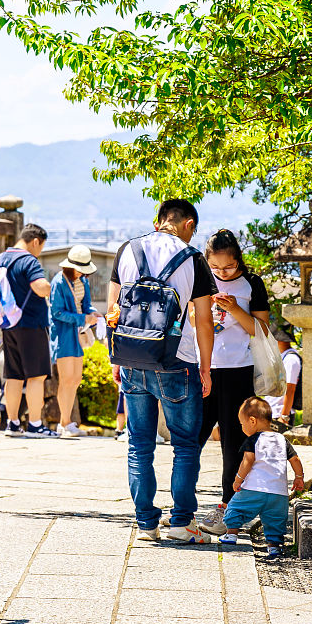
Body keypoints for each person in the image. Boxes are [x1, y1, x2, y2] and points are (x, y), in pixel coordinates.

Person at [108, 199, 217, 543]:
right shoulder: (194, 258)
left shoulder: (127, 249)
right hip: (177, 361)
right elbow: (203, 320)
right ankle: (182, 523)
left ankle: (146, 524)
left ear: (158, 222)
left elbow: (112, 310)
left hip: (132, 359)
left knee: (139, 444)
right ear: (188, 225)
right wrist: (206, 368)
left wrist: (116, 359)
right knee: (185, 446)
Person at [193, 229, 270, 535]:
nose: (223, 273)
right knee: (192, 436)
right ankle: (182, 505)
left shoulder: (251, 283)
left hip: (239, 369)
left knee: (234, 444)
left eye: (228, 267)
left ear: (238, 260)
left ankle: (231, 509)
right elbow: (188, 320)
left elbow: (261, 329)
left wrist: (234, 308)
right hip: (202, 367)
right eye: (216, 268)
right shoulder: (200, 281)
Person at [218, 396, 304, 559]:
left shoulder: (253, 439)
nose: (242, 427)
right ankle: (274, 547)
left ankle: (231, 535)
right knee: (275, 520)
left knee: (235, 508)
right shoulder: (281, 439)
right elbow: (295, 459)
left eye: (242, 424)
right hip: (278, 493)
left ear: (252, 421)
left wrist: (237, 479)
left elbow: (248, 460)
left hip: (253, 489)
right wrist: (299, 477)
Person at [0, 224, 55, 437]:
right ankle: (35, 424)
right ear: (35, 241)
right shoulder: (28, 260)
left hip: (8, 324)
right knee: (36, 376)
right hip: (31, 324)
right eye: (41, 247)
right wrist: (52, 287)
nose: (40, 251)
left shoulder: (1, 259)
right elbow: (39, 286)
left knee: (13, 375)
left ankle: (12, 423)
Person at [48, 245, 99, 438]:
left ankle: (67, 422)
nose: (82, 273)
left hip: (78, 333)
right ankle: (64, 423)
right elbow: (57, 313)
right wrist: (83, 319)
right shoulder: (58, 282)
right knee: (67, 379)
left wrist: (92, 313)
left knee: (75, 379)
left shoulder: (82, 281)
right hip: (63, 334)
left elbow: (85, 305)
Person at [266, 325, 302, 426]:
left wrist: (284, 416)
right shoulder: (283, 358)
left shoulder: (291, 359)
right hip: (272, 412)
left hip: (280, 414)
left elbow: (290, 388)